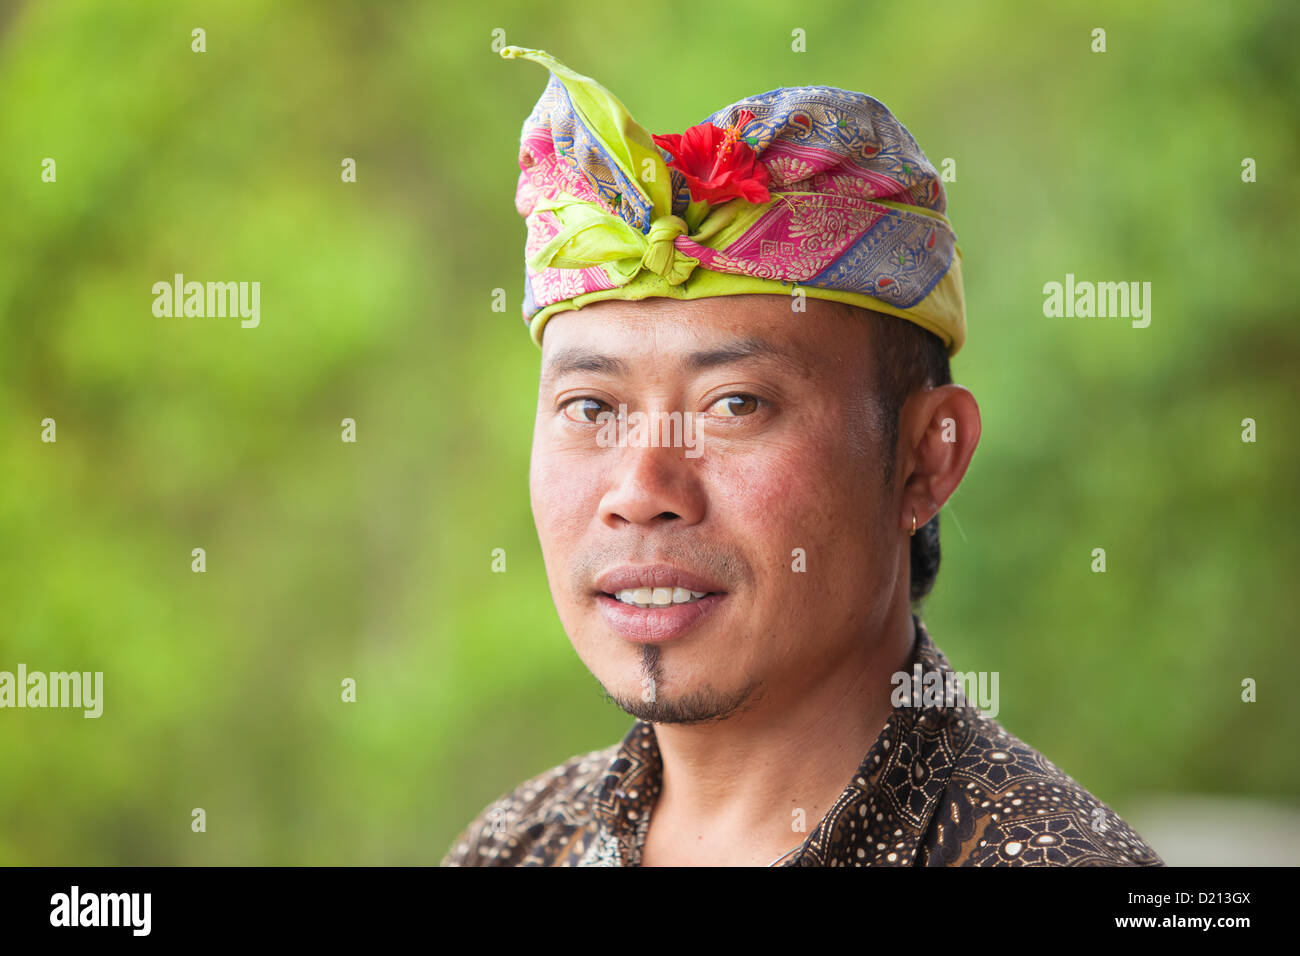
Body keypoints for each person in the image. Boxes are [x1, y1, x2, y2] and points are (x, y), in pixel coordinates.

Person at [441, 46, 1163, 866]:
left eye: (736, 405)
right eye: (591, 407)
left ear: (926, 458)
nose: (642, 489)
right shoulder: (514, 847)